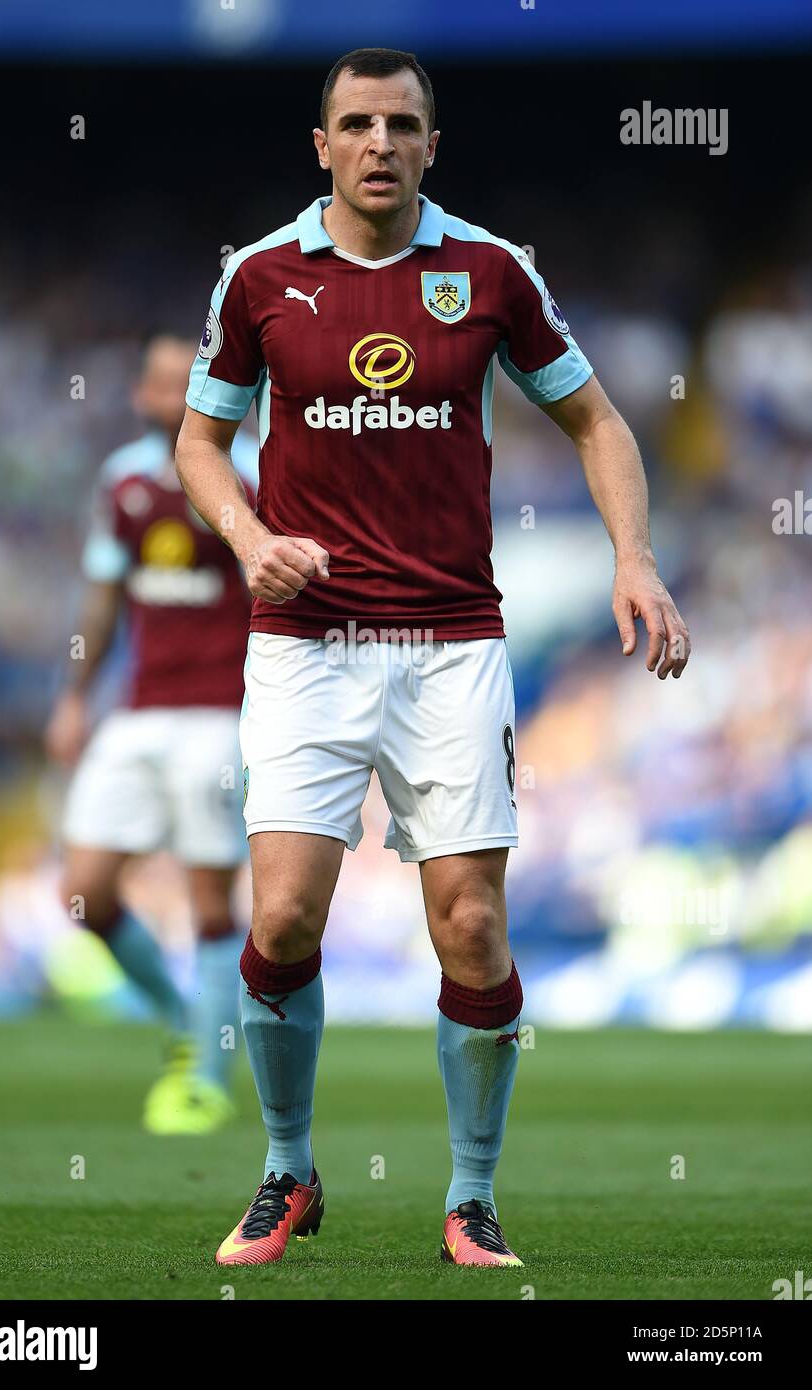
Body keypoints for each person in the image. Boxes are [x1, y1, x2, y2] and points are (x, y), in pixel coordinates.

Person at [175, 48, 690, 1264]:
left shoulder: (490, 272)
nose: (377, 144)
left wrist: (635, 557)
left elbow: (596, 417)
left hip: (451, 641)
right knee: (287, 913)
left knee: (469, 928)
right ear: (320, 146)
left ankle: (468, 1196)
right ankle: (288, 1170)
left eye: (400, 125)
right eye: (353, 124)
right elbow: (201, 442)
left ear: (429, 145)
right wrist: (249, 537)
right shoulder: (257, 278)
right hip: (303, 644)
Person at [46, 335, 257, 1135]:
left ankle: (206, 1076)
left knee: (209, 905)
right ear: (143, 394)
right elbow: (104, 597)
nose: (172, 397)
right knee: (84, 893)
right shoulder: (123, 479)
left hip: (218, 714)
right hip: (135, 712)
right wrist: (74, 698)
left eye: (188, 384)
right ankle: (177, 1016)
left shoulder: (253, 473)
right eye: (162, 383)